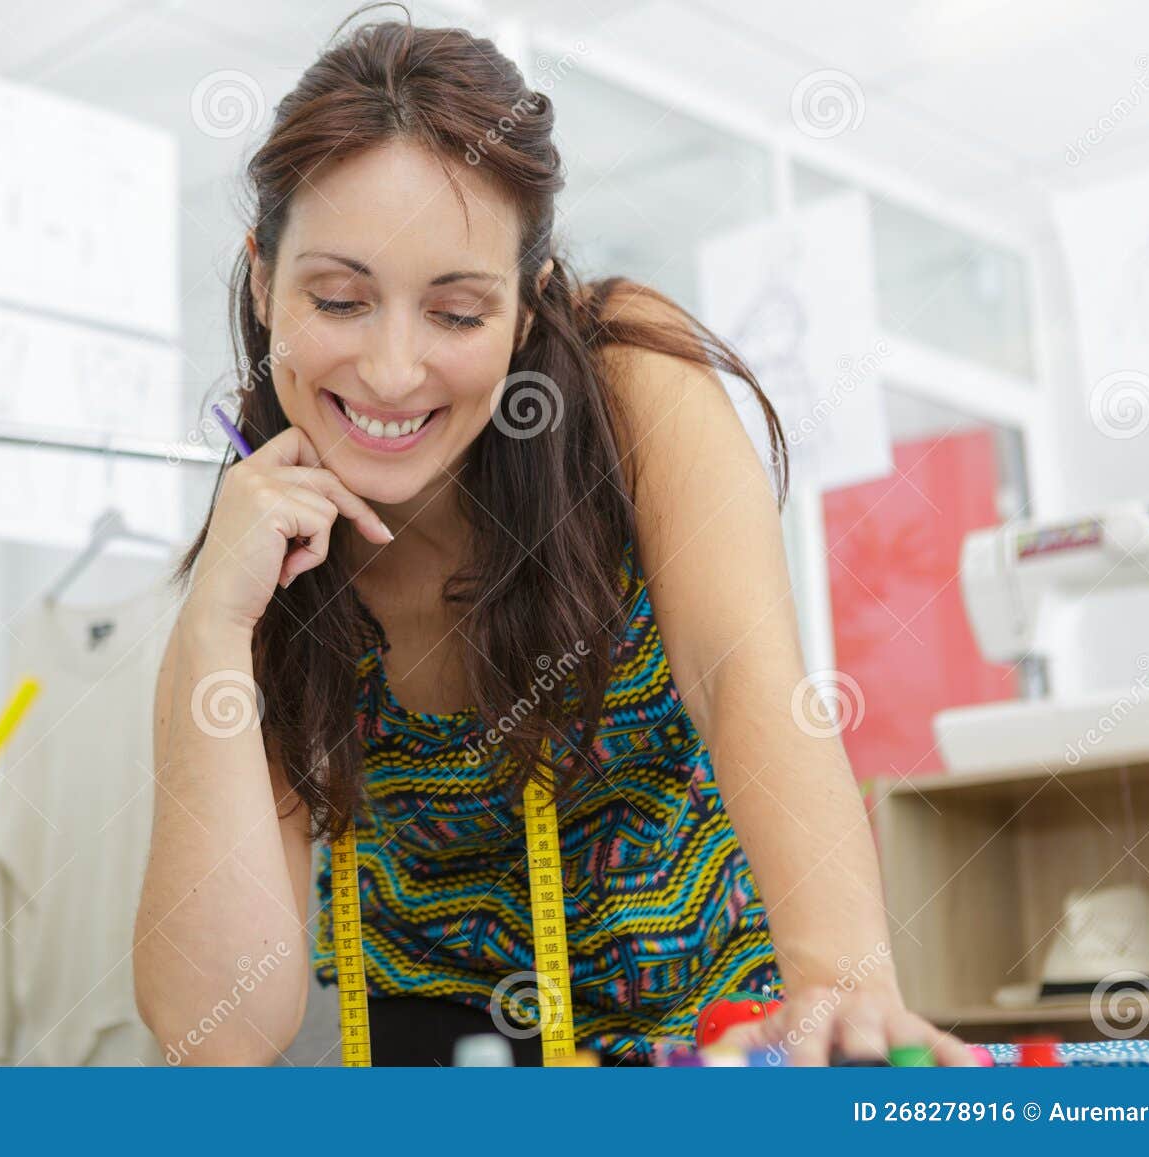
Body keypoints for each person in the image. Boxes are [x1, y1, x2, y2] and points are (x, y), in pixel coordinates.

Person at [133, 7, 974, 1067]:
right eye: (339, 300)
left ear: (528, 310)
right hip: (438, 1062)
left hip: (711, 1039)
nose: (391, 370)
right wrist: (215, 631)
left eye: (456, 313)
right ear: (262, 280)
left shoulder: (628, 390)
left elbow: (743, 678)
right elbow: (215, 1036)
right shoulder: (264, 541)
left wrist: (842, 980)